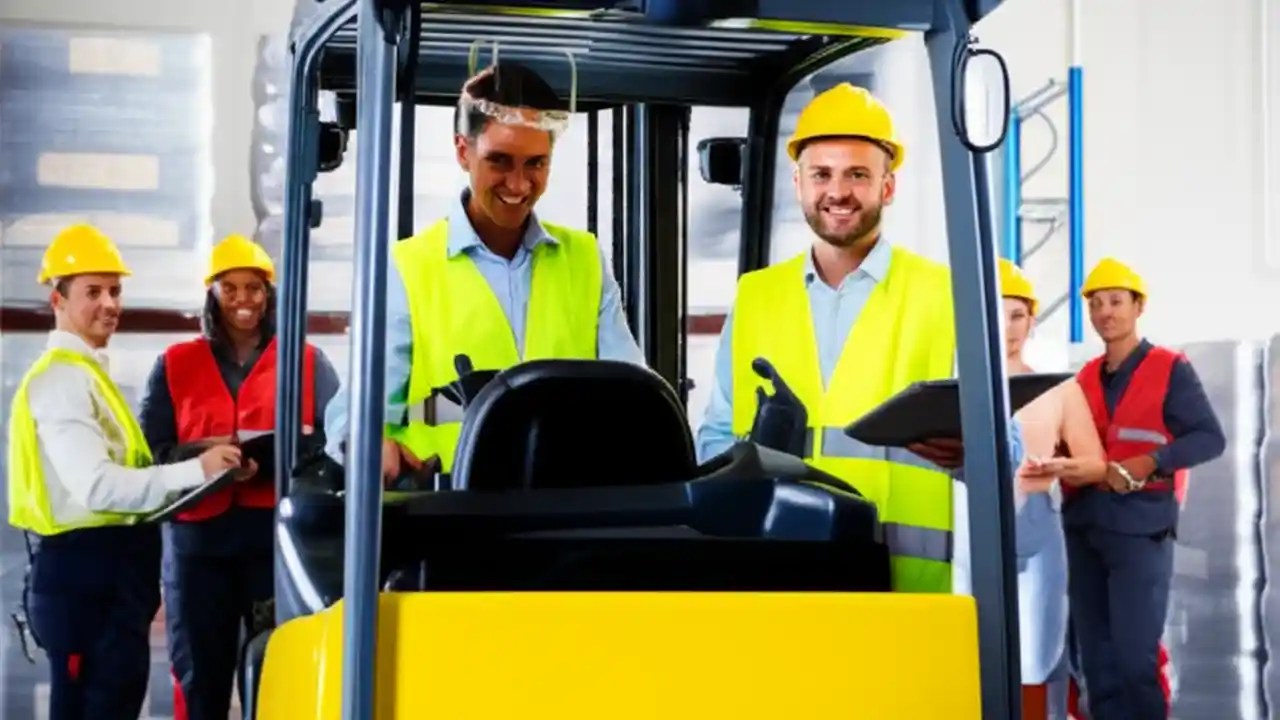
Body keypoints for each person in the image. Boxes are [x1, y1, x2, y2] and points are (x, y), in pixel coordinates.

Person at [694, 82, 1022, 593]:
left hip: (904, 588)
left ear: (887, 188)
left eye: (858, 175)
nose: (838, 191)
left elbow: (1010, 448)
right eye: (822, 174)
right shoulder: (756, 296)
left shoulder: (945, 293)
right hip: (775, 575)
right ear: (799, 181)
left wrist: (966, 452)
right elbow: (713, 440)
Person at [323, 60, 644, 482]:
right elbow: (356, 412)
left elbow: (633, 396)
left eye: (536, 163)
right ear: (463, 151)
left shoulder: (584, 258)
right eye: (500, 161)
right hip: (454, 512)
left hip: (571, 505)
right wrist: (365, 444)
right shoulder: (408, 268)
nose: (518, 184)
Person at [6, 224, 244, 720]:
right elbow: (98, 486)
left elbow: (132, 470)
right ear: (58, 300)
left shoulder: (91, 375)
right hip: (84, 581)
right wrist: (195, 470)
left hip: (107, 581)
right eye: (92, 292)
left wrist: (200, 460)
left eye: (114, 291)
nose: (110, 304)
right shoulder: (63, 381)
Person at [137, 233, 340, 720]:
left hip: (271, 539)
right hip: (198, 545)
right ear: (212, 294)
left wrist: (271, 461)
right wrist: (202, 456)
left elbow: (336, 443)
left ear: (269, 295)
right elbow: (151, 452)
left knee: (276, 666)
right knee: (198, 673)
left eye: (254, 288)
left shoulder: (307, 361)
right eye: (230, 288)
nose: (243, 300)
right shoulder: (174, 364)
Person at [1023, 257, 1225, 720]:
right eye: (1096, 304)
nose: (1105, 312)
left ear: (1138, 307)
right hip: (1085, 526)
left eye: (1116, 301)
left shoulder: (1169, 368)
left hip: (1140, 531)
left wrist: (1147, 464)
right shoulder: (1083, 378)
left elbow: (1208, 438)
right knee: (1097, 662)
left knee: (1135, 659)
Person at [992, 258, 1108, 719]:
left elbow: (1095, 463)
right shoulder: (953, 388)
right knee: (973, 653)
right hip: (967, 528)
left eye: (1017, 314)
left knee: (1038, 660)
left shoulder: (1057, 389)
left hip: (1037, 526)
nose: (1008, 326)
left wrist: (1058, 466)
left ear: (1032, 320)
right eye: (997, 313)